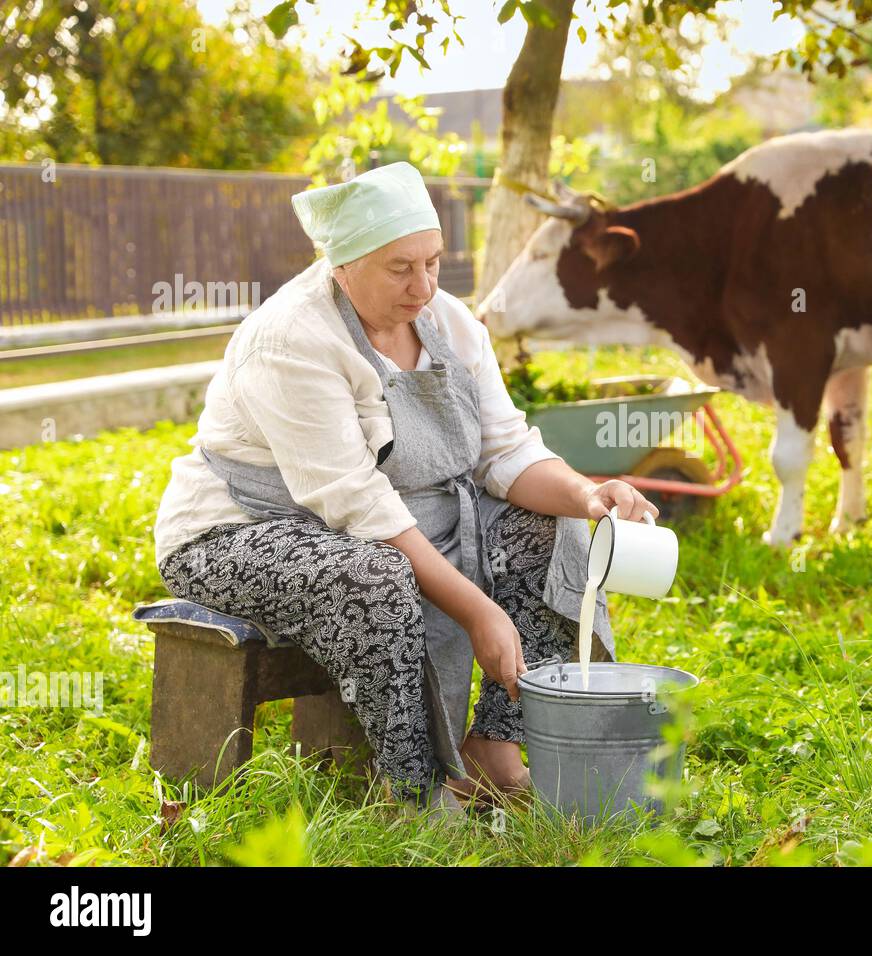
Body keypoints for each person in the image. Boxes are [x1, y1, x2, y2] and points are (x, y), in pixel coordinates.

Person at [152, 161, 656, 815]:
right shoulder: (293, 340)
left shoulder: (449, 323)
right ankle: (413, 790)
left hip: (396, 518)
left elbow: (504, 449)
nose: (423, 287)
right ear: (343, 264)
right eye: (400, 269)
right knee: (377, 577)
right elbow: (357, 504)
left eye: (434, 263)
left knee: (550, 528)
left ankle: (494, 749)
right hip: (238, 531)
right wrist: (479, 611)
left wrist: (589, 495)